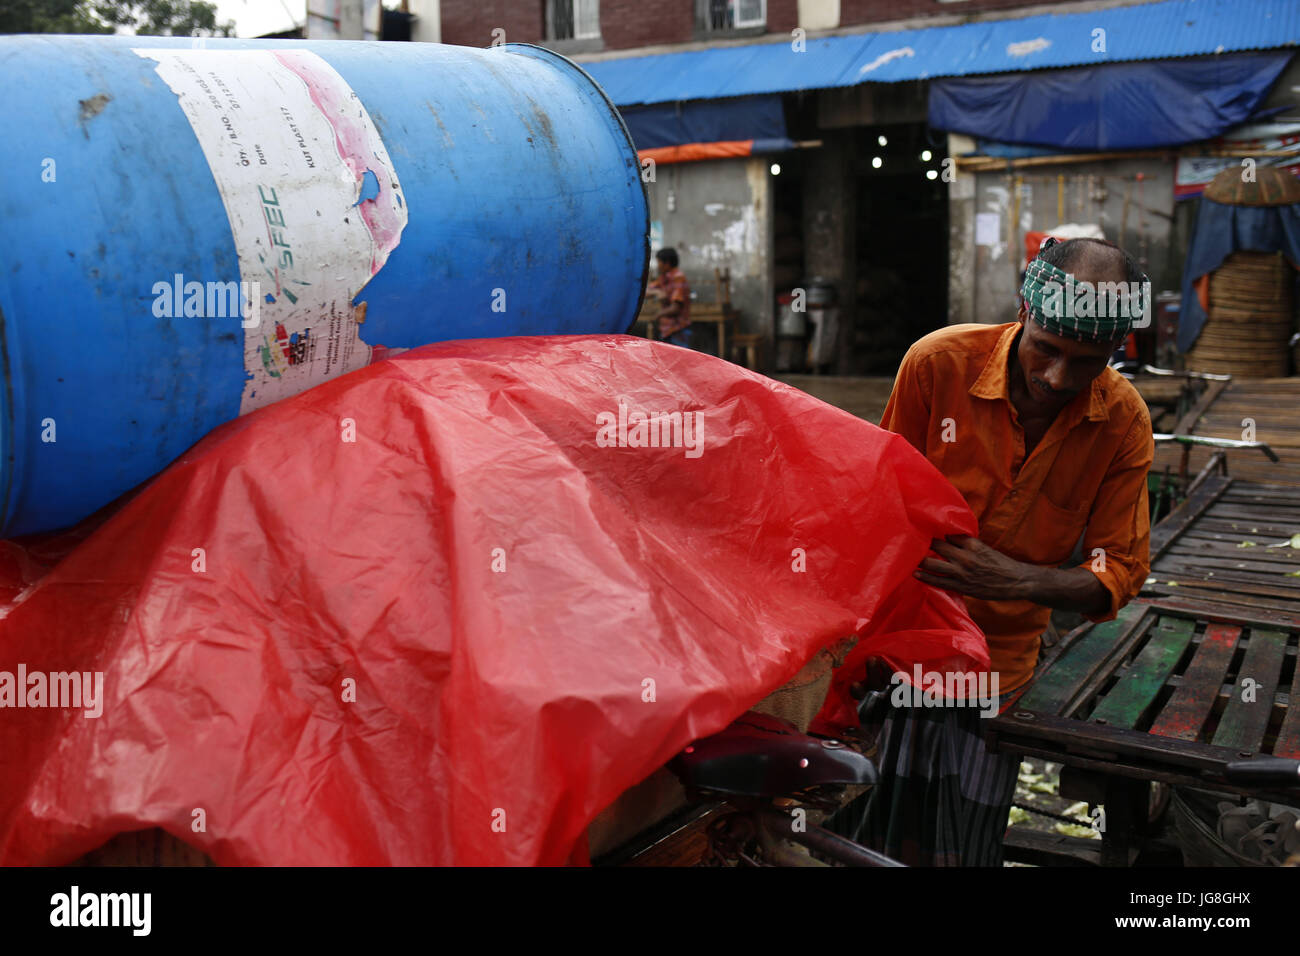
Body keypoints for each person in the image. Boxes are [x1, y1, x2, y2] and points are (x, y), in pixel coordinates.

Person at [861, 236, 1155, 866]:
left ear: (1116, 350)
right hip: (895, 650)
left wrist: (1020, 581)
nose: (1057, 378)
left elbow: (1120, 570)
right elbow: (874, 505)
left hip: (998, 671)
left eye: (1087, 363)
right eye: (1047, 350)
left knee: (961, 844)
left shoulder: (1124, 422)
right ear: (1024, 311)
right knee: (861, 828)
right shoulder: (937, 365)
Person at [648, 247, 692, 347]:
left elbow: (675, 308)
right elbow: (645, 292)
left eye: (659, 262)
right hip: (666, 330)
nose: (658, 266)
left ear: (667, 263)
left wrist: (657, 315)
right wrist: (657, 292)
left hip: (678, 330)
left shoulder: (678, 278)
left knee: (679, 361)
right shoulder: (664, 277)